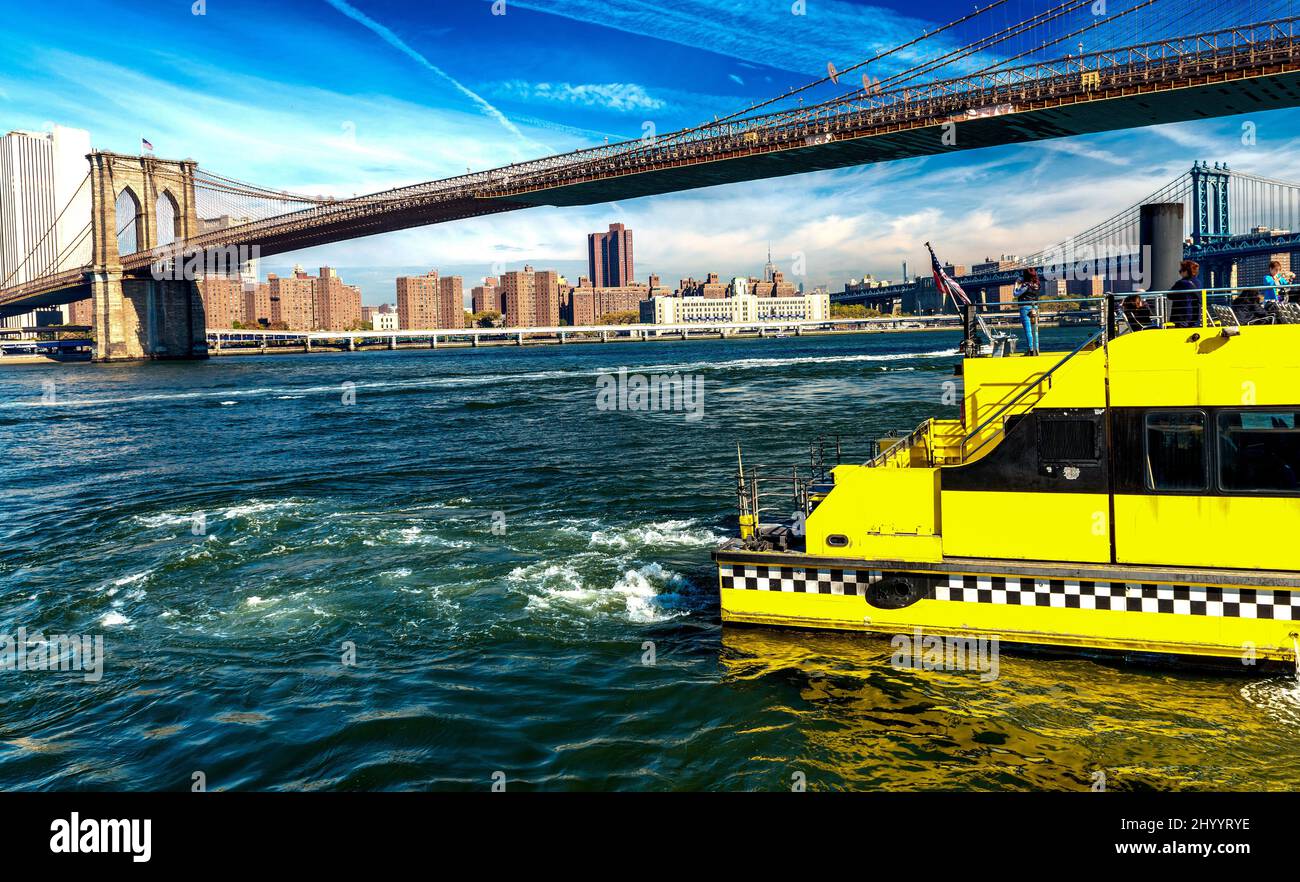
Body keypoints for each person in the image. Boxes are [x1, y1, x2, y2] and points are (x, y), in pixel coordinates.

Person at [1013, 268, 1041, 355]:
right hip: (1035, 307)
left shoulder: (1026, 285)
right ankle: (1036, 350)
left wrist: (1016, 283)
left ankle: (1031, 350)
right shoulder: (1037, 285)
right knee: (1035, 330)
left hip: (1025, 307)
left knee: (1028, 330)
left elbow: (1015, 294)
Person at [1168, 259, 1201, 328]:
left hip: (1182, 316)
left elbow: (1169, 295)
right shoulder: (1198, 282)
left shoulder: (1181, 283)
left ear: (1186, 271)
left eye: (1181, 271)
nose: (1180, 273)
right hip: (1195, 315)